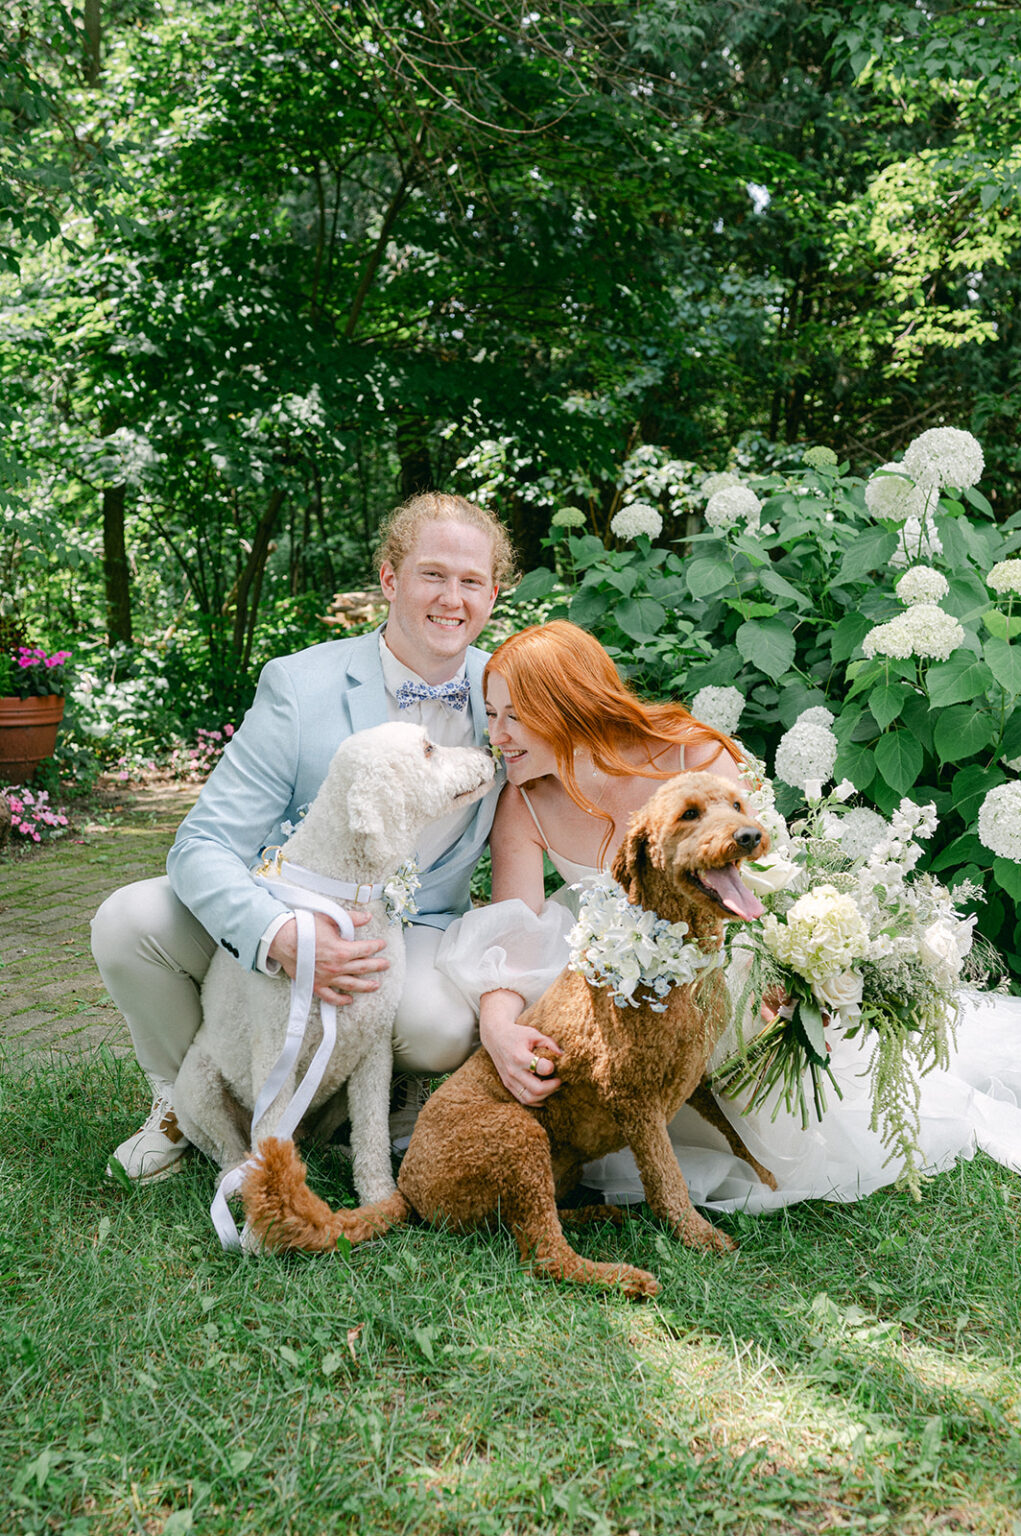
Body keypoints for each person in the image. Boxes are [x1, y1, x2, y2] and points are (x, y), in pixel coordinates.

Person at [436, 620, 1021, 1212]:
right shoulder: (525, 798)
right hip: (614, 960)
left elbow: (764, 877)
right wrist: (499, 1027)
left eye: (513, 716)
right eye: (491, 714)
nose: (497, 734)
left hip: (726, 949)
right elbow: (515, 927)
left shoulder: (692, 751)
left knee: (740, 1032)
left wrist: (784, 970)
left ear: (570, 707)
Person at [92, 492, 515, 1183]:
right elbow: (201, 845)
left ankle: (375, 1098)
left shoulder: (509, 686)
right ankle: (185, 1099)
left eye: (470, 581)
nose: (451, 598)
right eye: (431, 574)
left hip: (416, 929)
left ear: (492, 593)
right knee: (127, 920)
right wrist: (277, 935)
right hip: (291, 901)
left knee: (440, 1025)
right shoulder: (301, 684)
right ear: (389, 579)